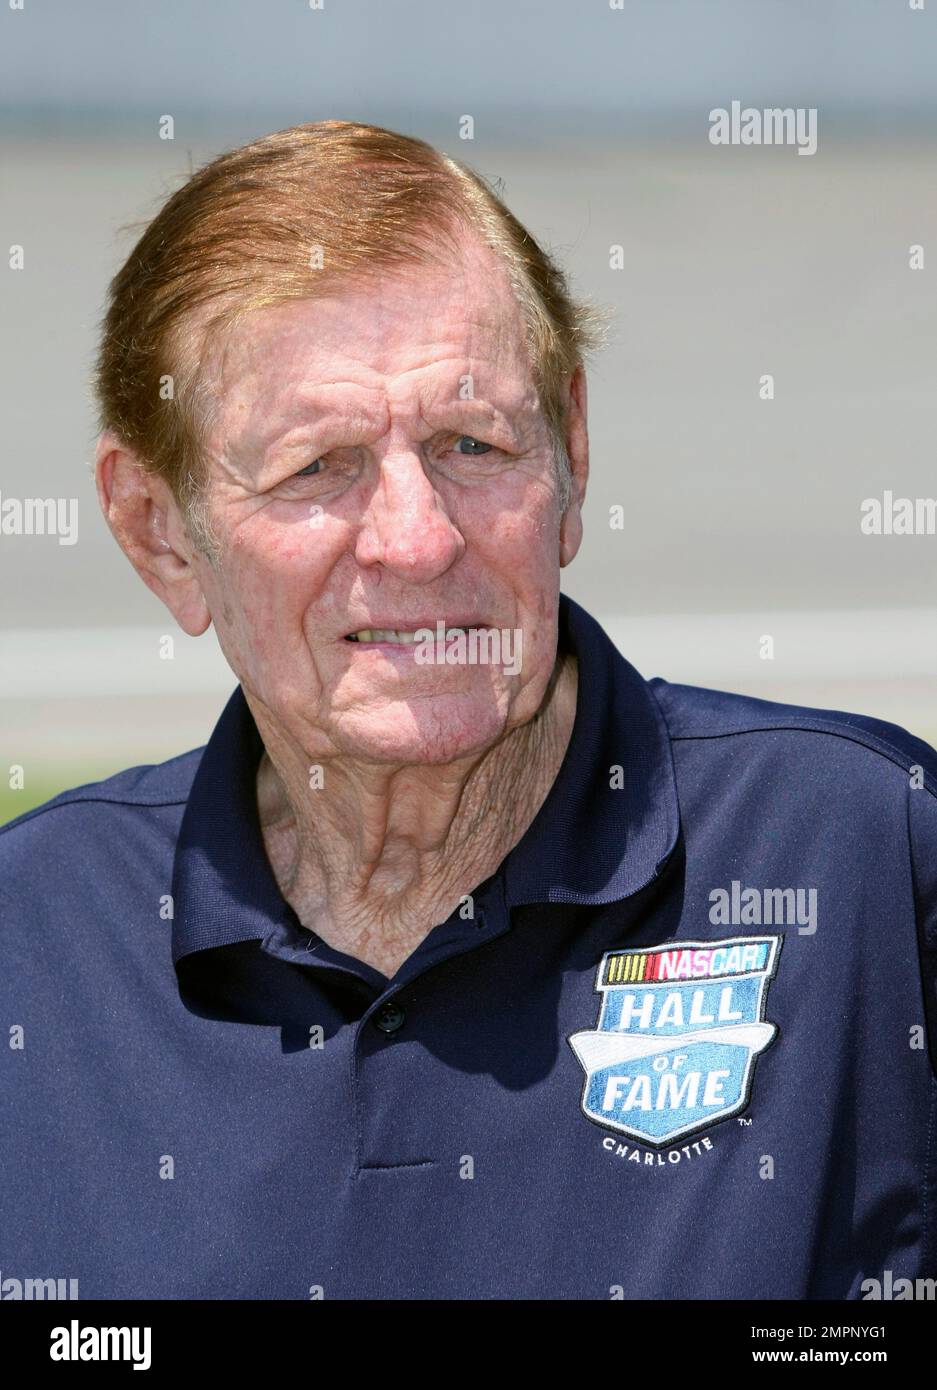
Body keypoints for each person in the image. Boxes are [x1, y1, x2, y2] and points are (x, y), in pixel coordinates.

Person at [2, 120, 936, 1301]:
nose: (418, 539)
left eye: (470, 442)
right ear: (158, 531)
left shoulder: (857, 854)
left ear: (572, 452)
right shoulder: (31, 947)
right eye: (317, 467)